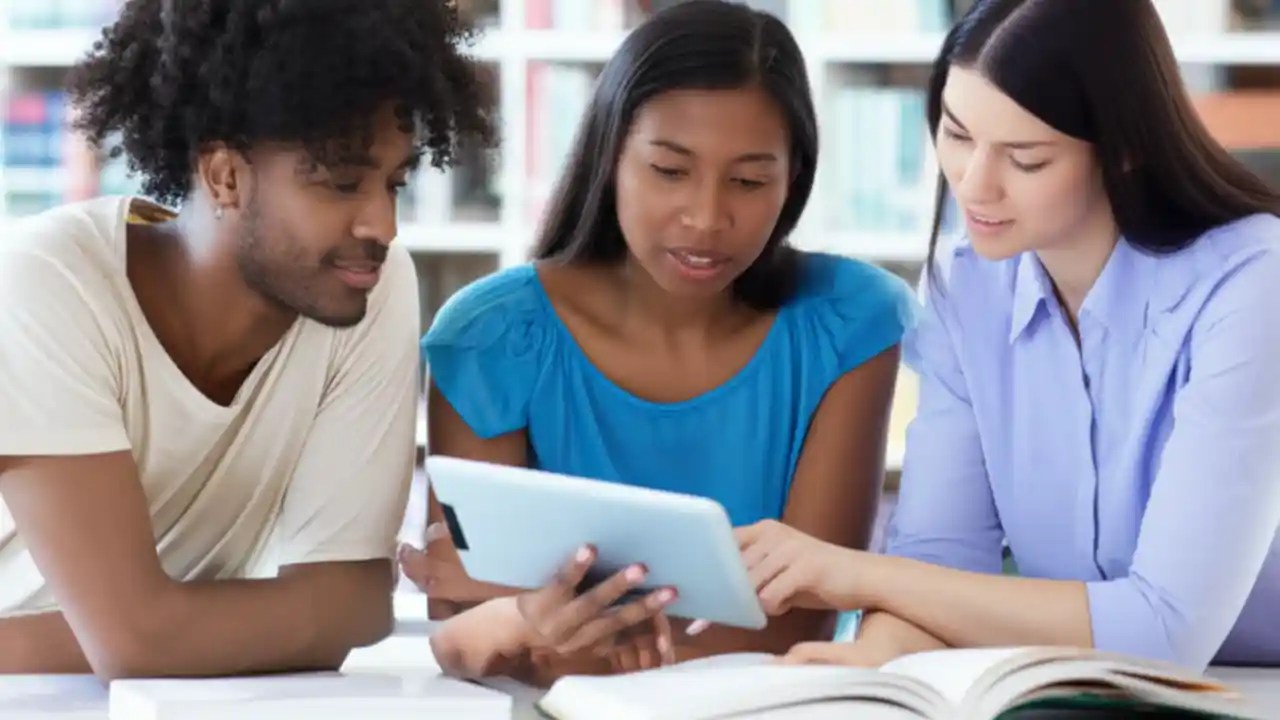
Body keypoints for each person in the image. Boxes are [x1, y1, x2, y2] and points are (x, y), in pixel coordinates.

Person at [0, 0, 672, 682]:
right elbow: (137, 642)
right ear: (224, 176)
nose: (381, 224)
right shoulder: (49, 284)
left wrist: (148, 628)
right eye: (341, 184)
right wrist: (141, 631)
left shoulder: (367, 288)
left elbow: (353, 604)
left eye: (395, 183)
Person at [731, 0, 1280, 672]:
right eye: (957, 135)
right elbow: (938, 563)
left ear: (1127, 150)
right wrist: (870, 668)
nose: (973, 184)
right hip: (1100, 690)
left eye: (1025, 159)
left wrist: (854, 574)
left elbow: (1166, 631)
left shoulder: (1253, 282)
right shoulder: (968, 289)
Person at [401, 0, 917, 680]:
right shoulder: (491, 337)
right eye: (670, 171)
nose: (706, 218)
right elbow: (461, 627)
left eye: (749, 181)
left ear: (794, 180)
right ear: (610, 157)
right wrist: (510, 621)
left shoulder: (848, 321)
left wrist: (536, 620)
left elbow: (798, 626)